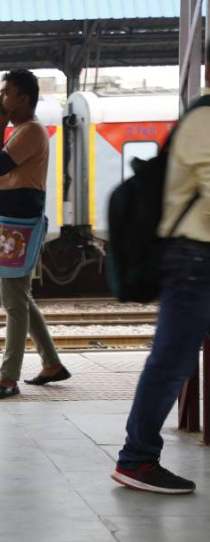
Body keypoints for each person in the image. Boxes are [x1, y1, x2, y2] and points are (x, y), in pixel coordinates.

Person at [111, 53, 210, 495]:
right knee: (171, 362)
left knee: (171, 360)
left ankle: (137, 457)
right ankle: (137, 459)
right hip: (195, 259)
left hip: (198, 259)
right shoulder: (206, 118)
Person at [0, 69, 69, 400]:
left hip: (16, 229)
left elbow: (0, 166)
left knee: (13, 303)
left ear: (24, 98)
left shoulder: (29, 131)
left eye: (6, 92)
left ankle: (7, 378)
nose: (1, 98)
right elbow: (2, 173)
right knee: (20, 298)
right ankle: (51, 363)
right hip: (9, 226)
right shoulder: (23, 132)